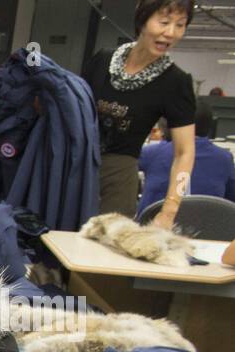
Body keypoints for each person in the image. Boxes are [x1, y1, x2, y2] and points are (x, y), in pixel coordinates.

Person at [83, 0, 196, 224]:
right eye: (164, 22)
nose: (170, 33)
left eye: (180, 25)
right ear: (143, 19)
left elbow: (185, 152)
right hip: (76, 166)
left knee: (103, 253)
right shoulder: (103, 59)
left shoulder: (176, 82)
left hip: (118, 179)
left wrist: (169, 211)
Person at [138, 99, 235, 215]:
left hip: (155, 229)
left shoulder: (152, 153)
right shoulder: (225, 158)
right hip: (207, 229)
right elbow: (230, 203)